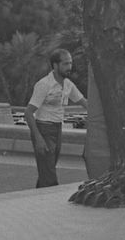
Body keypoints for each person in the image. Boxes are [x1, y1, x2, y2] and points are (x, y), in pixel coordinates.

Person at [25, 48, 85, 188]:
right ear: (55, 65)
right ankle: (49, 202)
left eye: (70, 63)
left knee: (47, 171)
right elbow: (28, 113)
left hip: (57, 129)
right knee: (50, 176)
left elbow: (85, 103)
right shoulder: (44, 85)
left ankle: (37, 201)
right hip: (44, 129)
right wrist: (38, 138)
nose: (69, 67)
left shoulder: (68, 85)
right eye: (65, 64)